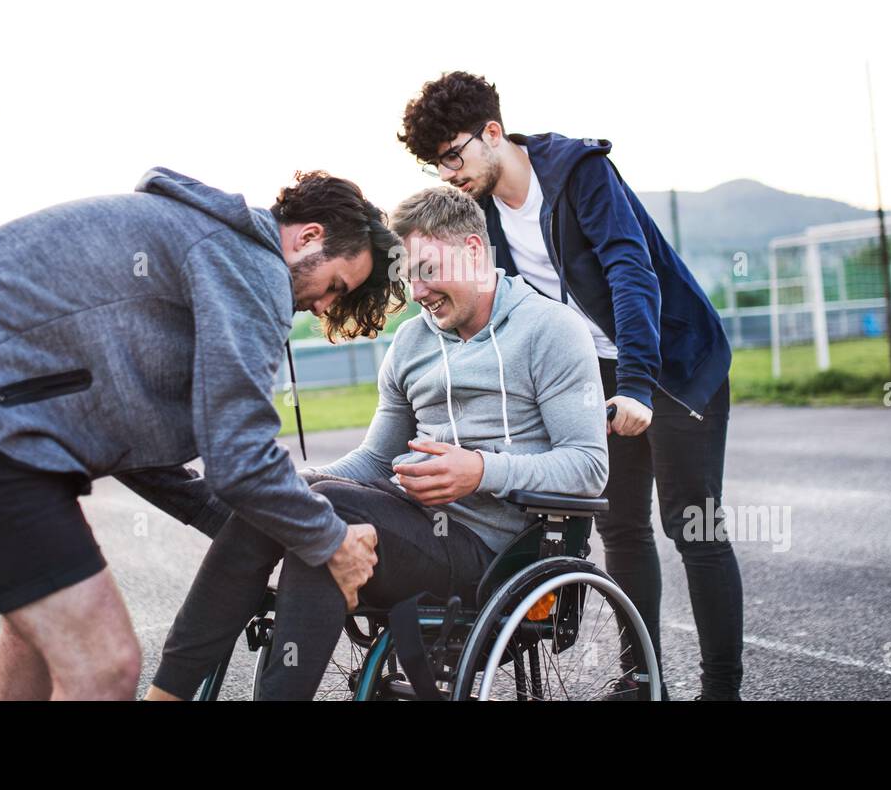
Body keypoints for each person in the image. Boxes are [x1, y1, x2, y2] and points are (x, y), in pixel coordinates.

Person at [0, 167, 403, 700]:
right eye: (335, 285)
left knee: (36, 626)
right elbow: (241, 457)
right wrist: (330, 539)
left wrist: (244, 527)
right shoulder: (250, 266)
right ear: (308, 236)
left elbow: (127, 432)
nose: (323, 304)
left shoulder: (200, 240)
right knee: (105, 664)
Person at [144, 184, 608, 700]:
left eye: (427, 271)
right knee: (296, 501)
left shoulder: (552, 330)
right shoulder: (413, 342)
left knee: (322, 511)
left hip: (499, 554)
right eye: (409, 278)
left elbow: (588, 467)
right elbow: (374, 460)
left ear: (474, 251)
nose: (419, 292)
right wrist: (295, 485)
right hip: (409, 533)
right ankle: (170, 692)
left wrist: (482, 470)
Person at [398, 72, 743, 700]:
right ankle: (644, 679)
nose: (448, 173)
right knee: (621, 528)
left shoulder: (578, 170)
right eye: (436, 164)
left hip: (669, 360)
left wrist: (637, 383)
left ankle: (722, 689)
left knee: (691, 524)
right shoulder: (481, 216)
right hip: (598, 370)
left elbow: (630, 271)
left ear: (493, 133)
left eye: (453, 155)